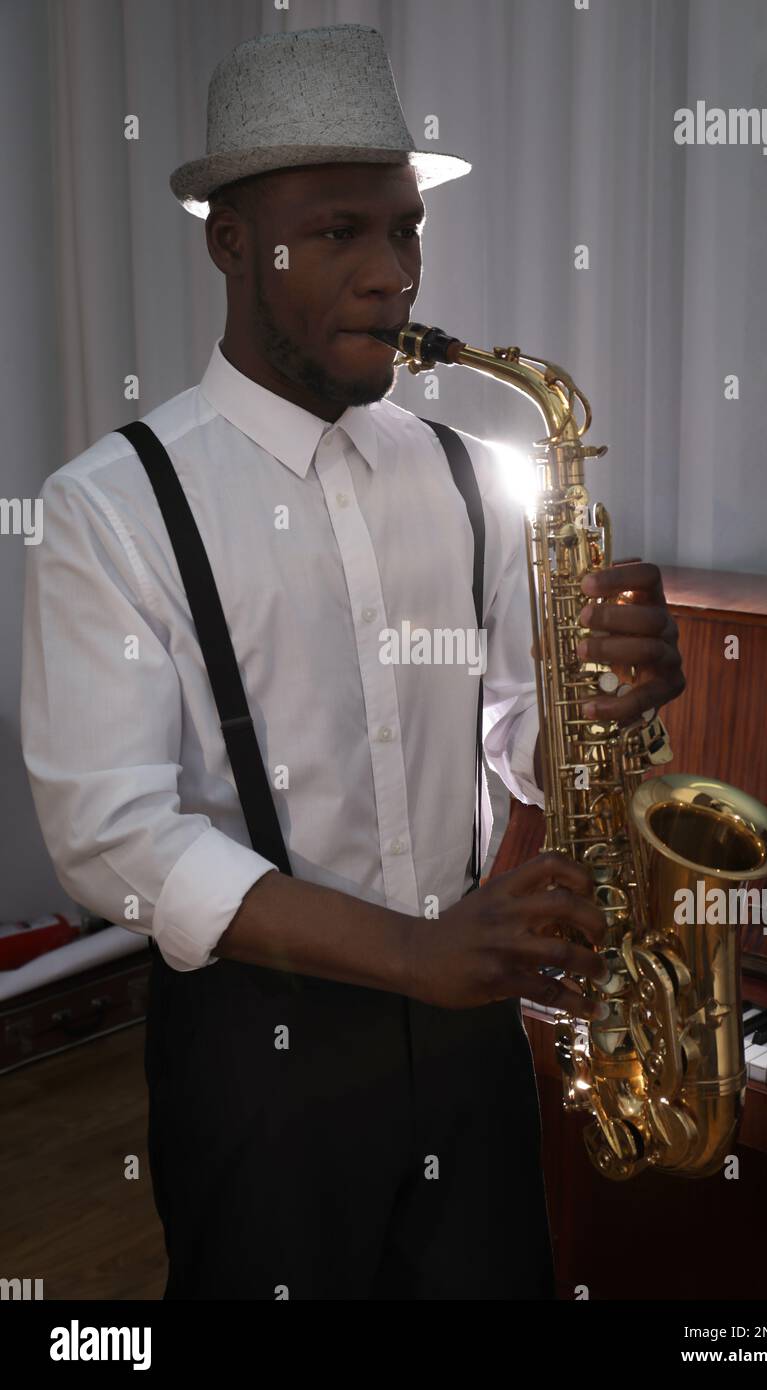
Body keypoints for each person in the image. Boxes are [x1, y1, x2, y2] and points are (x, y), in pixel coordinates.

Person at [20, 26, 685, 1300]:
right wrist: (408, 954)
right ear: (229, 242)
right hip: (255, 1054)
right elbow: (112, 839)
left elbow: (514, 735)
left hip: (469, 1025)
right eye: (338, 233)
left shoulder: (463, 469)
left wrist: (596, 704)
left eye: (406, 231)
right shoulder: (109, 504)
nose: (393, 276)